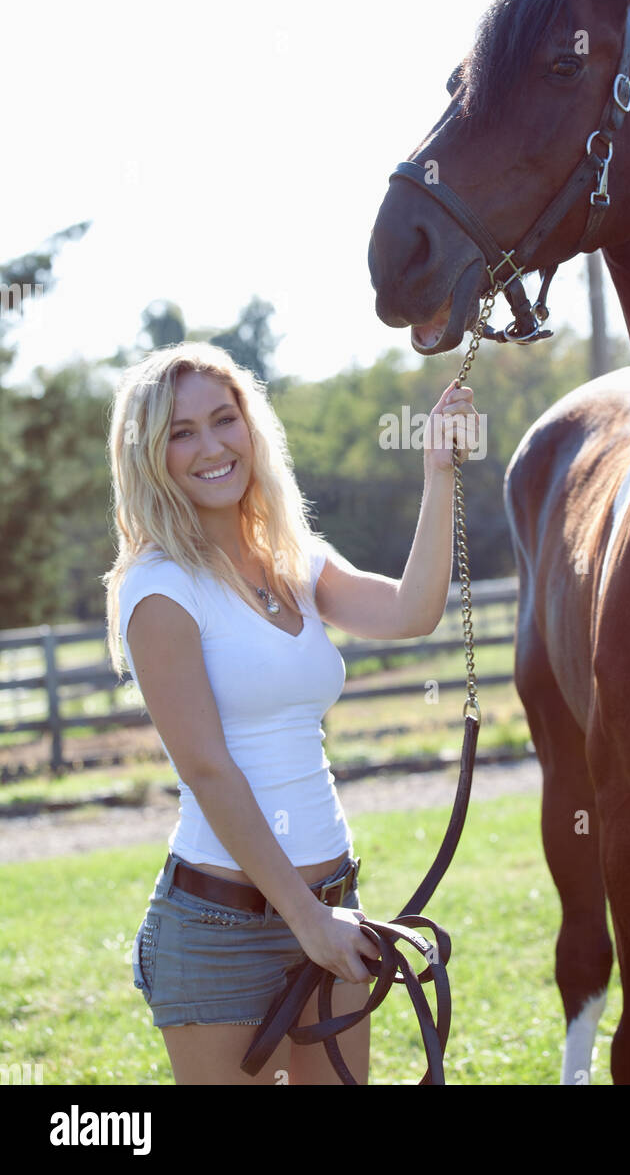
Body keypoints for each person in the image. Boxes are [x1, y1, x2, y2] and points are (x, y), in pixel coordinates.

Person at [102, 341, 478, 1085]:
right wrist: (305, 920)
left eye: (223, 419)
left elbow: (410, 611)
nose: (211, 446)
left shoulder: (292, 556)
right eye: (181, 432)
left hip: (336, 899)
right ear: (149, 454)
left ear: (252, 426)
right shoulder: (157, 589)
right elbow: (208, 769)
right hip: (221, 928)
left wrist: (437, 469)